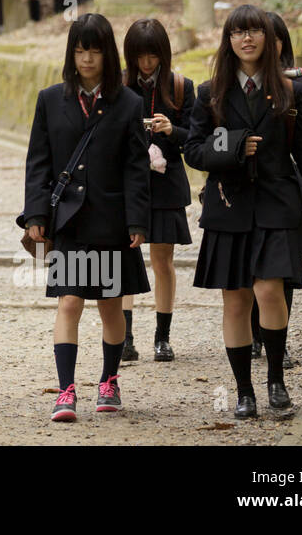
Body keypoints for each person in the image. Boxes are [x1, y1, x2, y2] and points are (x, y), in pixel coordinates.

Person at [184, 5, 302, 419]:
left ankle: (276, 380)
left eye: (255, 31)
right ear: (228, 40)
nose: (246, 38)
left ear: (270, 40)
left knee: (269, 291)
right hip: (229, 207)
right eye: (238, 32)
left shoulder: (290, 91)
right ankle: (244, 391)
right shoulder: (208, 92)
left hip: (276, 203)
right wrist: (231, 149)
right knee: (235, 300)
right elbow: (193, 149)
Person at [18, 13, 151, 422]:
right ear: (71, 53)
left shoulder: (128, 103)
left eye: (94, 50)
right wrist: (36, 215)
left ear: (107, 53)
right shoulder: (50, 98)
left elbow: (136, 167)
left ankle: (109, 380)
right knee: (70, 301)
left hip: (111, 221)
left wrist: (137, 221)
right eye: (79, 50)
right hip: (69, 222)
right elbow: (38, 163)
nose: (87, 58)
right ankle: (66, 390)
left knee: (111, 306)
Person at [247, 12, 302, 366]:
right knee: (251, 270)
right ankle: (254, 336)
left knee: (284, 269)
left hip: (287, 187)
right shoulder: (237, 83)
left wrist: (294, 94)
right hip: (247, 186)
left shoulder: (300, 82)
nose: (271, 43)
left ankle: (276, 343)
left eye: (277, 37)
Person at [119, 18, 195, 364]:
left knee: (163, 261)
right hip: (125, 185)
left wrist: (172, 130)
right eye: (140, 57)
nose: (147, 64)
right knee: (124, 259)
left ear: (163, 53)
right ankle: (125, 337)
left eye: (152, 56)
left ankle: (162, 338)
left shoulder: (181, 88)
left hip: (166, 185)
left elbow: (197, 139)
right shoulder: (117, 85)